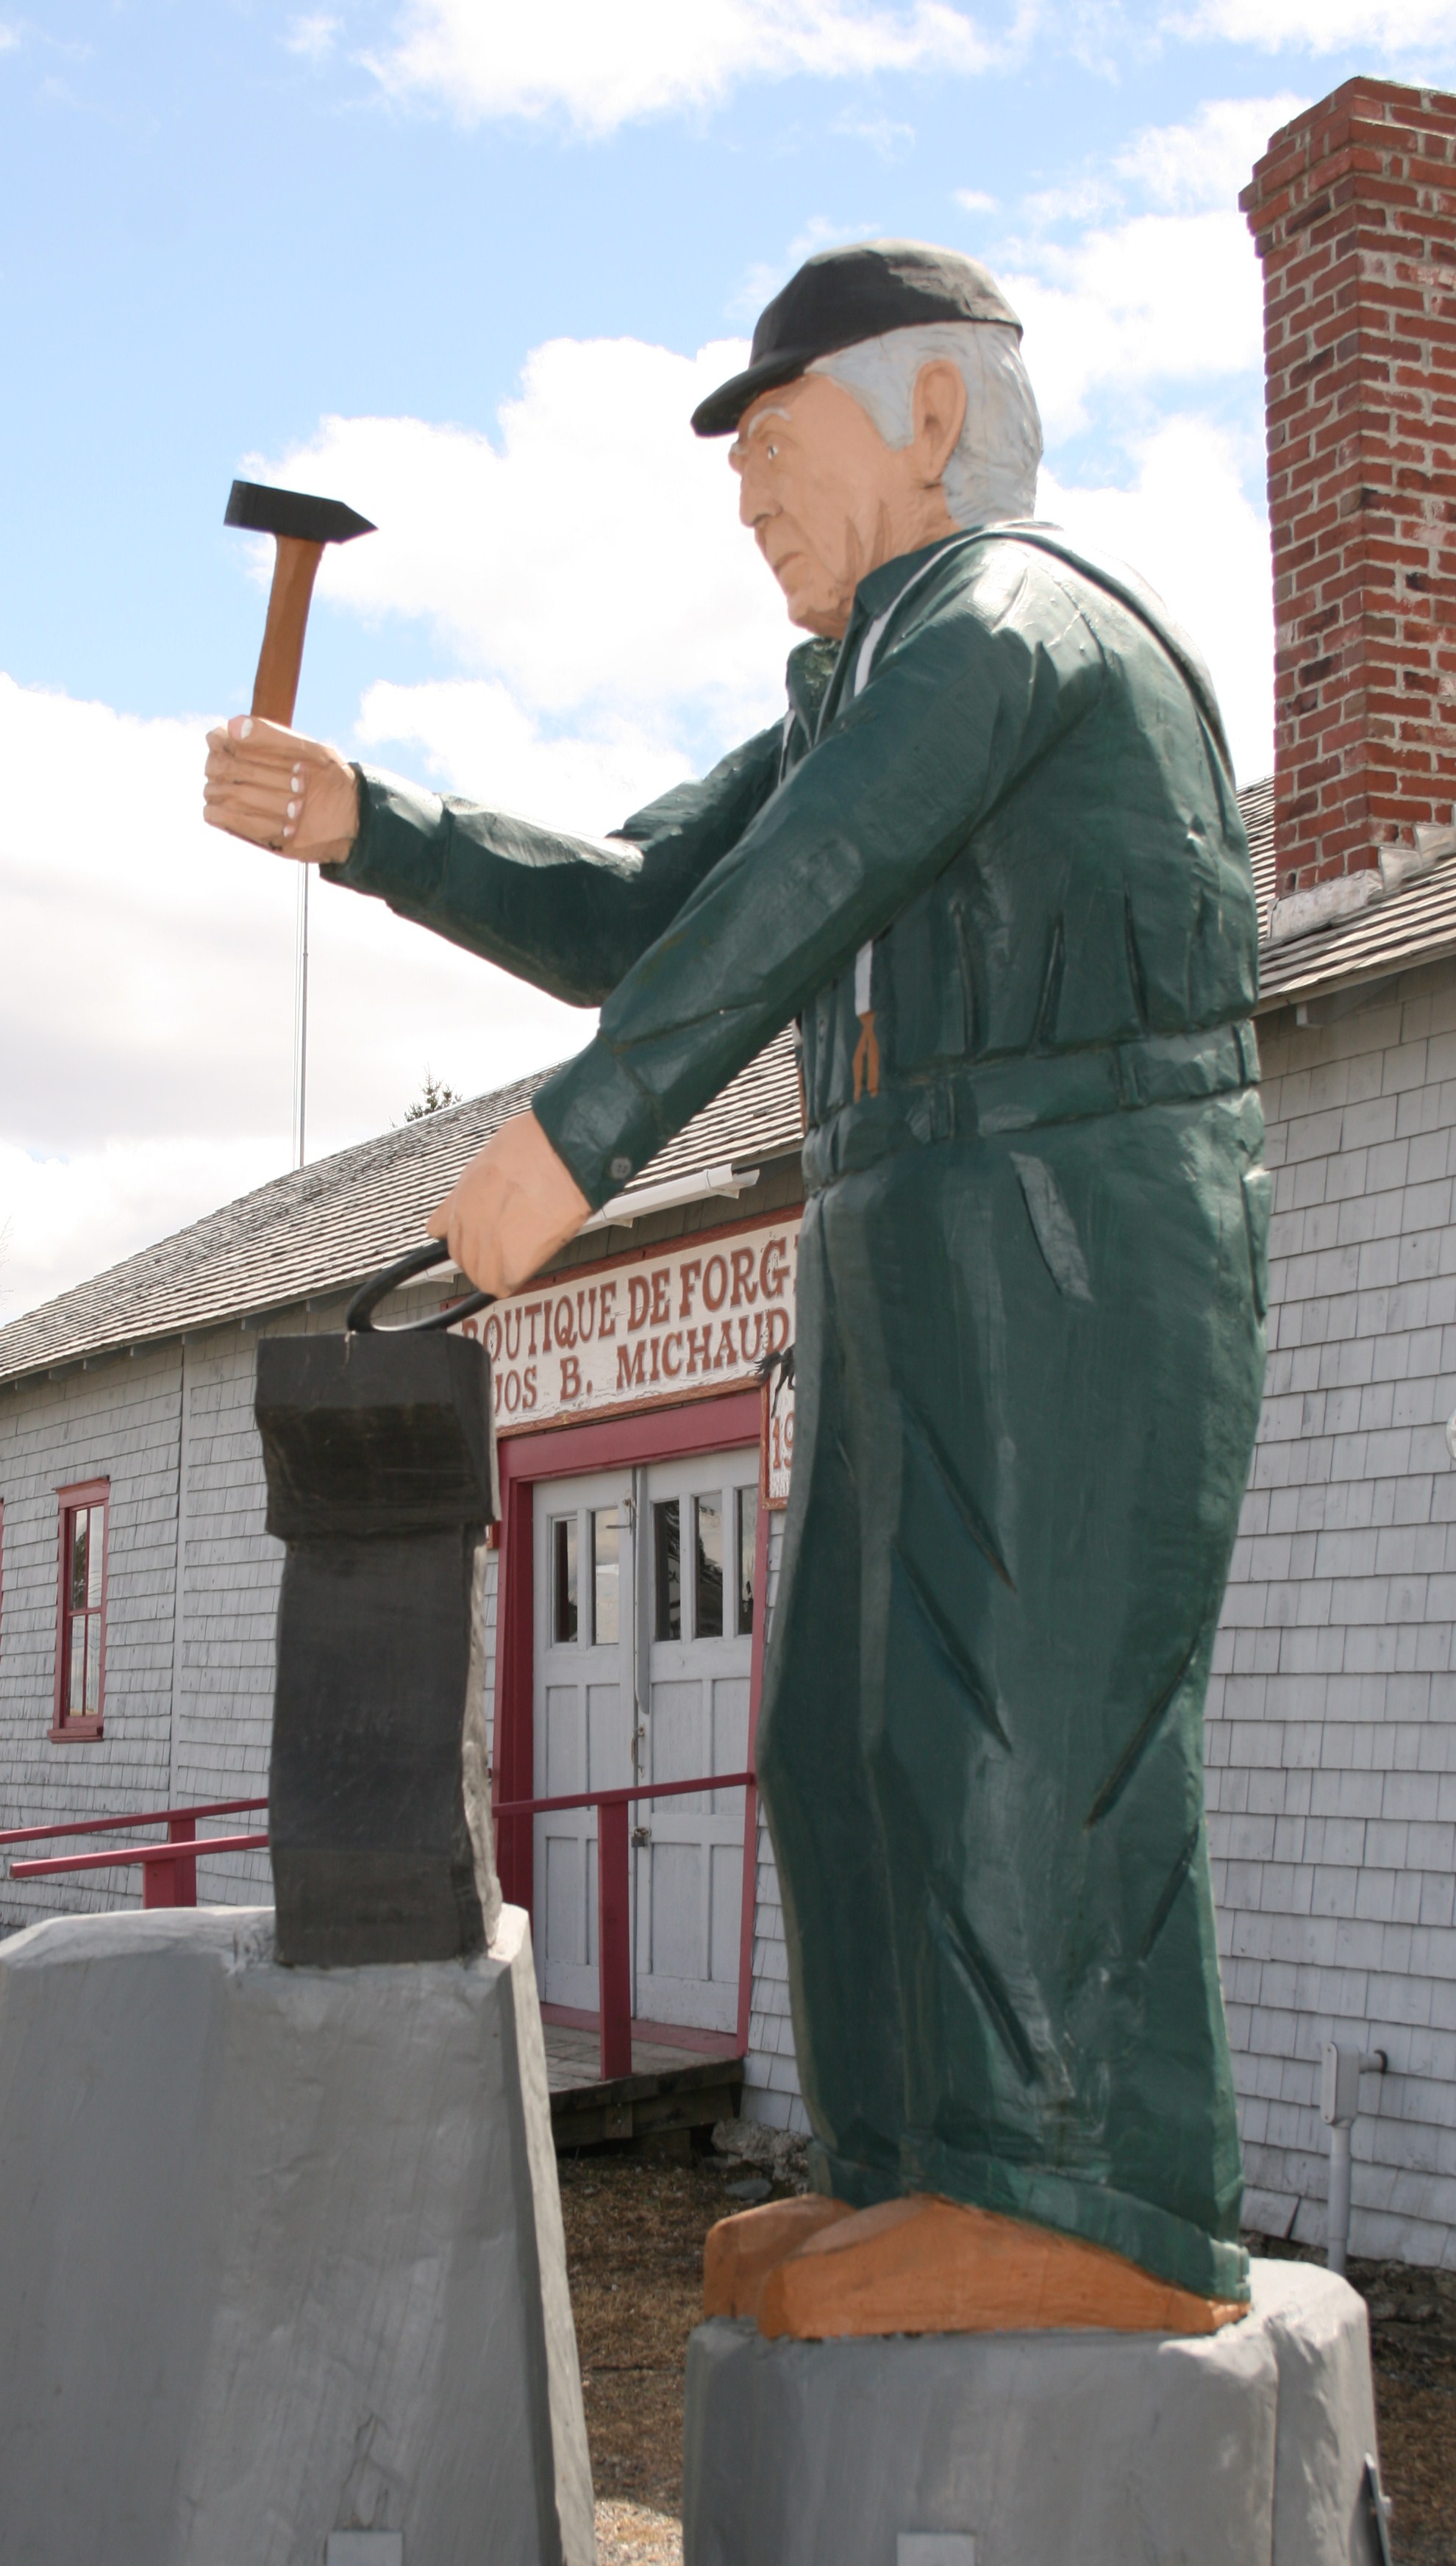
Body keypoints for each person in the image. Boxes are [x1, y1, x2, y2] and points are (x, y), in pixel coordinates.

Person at [205, 240, 1267, 2334]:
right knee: (840, 1718)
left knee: (1016, 1702)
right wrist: (367, 825)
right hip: (897, 1203)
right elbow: (637, 906)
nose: (747, 499)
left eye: (775, 445)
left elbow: (795, 901)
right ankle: (925, 2161)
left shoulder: (1004, 627)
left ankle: (1094, 2194)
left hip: (1073, 1203)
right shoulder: (855, 681)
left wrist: (571, 1150)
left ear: (931, 418)